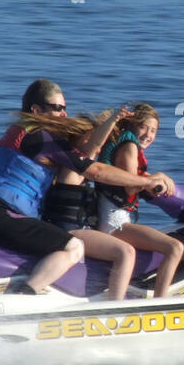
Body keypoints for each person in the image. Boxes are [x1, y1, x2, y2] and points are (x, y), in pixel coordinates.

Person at [0, 80, 173, 295]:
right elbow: (95, 169)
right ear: (36, 110)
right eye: (58, 108)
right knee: (74, 247)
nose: (64, 114)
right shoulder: (41, 139)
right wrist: (146, 182)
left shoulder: (26, 133)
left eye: (65, 108)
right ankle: (24, 294)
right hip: (0, 214)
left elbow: (94, 150)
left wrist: (113, 121)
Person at [42, 105, 138, 300]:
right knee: (125, 252)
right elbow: (94, 147)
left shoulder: (74, 168)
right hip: (68, 230)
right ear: (76, 141)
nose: (94, 141)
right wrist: (114, 119)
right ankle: (115, 308)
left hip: (75, 229)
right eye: (87, 136)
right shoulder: (73, 168)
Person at [95, 104, 184, 296]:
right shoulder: (129, 146)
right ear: (133, 126)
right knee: (174, 247)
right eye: (143, 127)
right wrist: (158, 176)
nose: (148, 135)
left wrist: (154, 180)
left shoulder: (127, 144)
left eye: (153, 131)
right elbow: (131, 186)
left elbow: (134, 180)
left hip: (115, 219)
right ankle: (160, 304)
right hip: (113, 223)